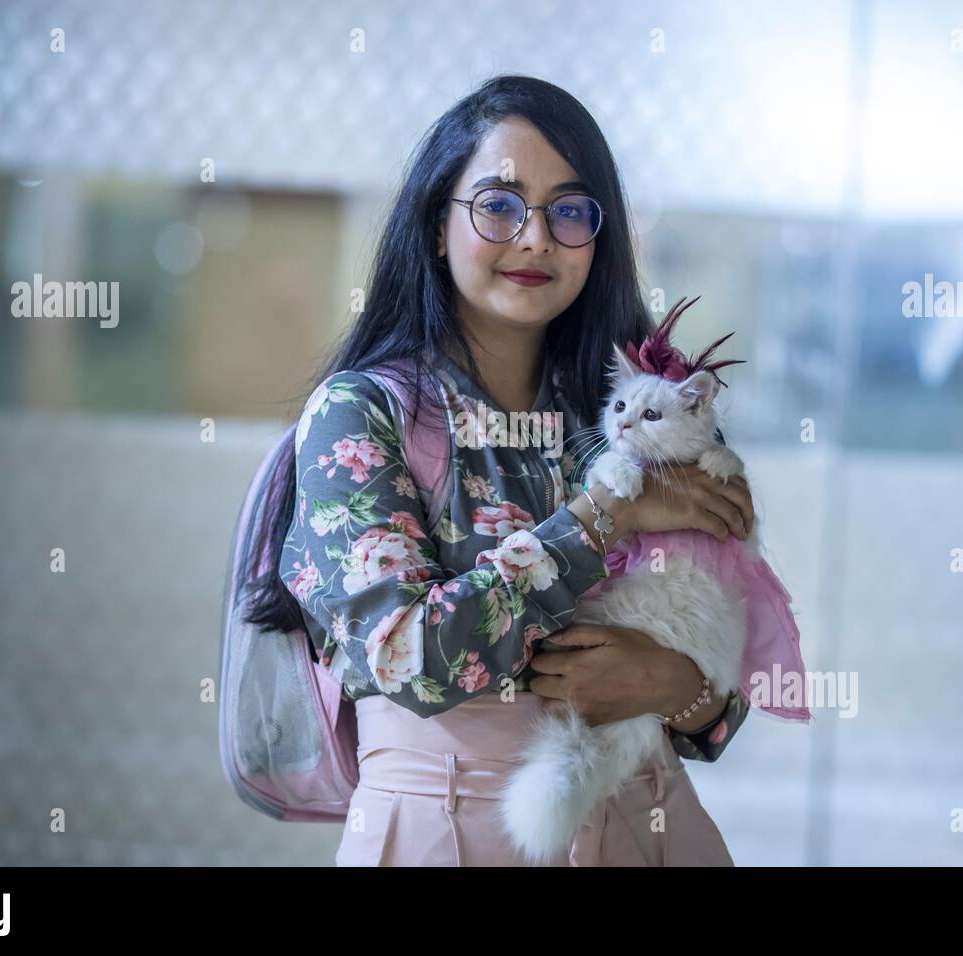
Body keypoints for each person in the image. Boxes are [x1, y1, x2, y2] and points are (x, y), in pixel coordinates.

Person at [253, 74, 757, 865]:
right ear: (434, 226)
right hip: (443, 831)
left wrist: (673, 688)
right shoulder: (361, 415)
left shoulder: (637, 415)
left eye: (570, 211)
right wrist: (605, 519)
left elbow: (723, 705)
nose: (535, 239)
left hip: (648, 823)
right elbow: (409, 661)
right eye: (498, 204)